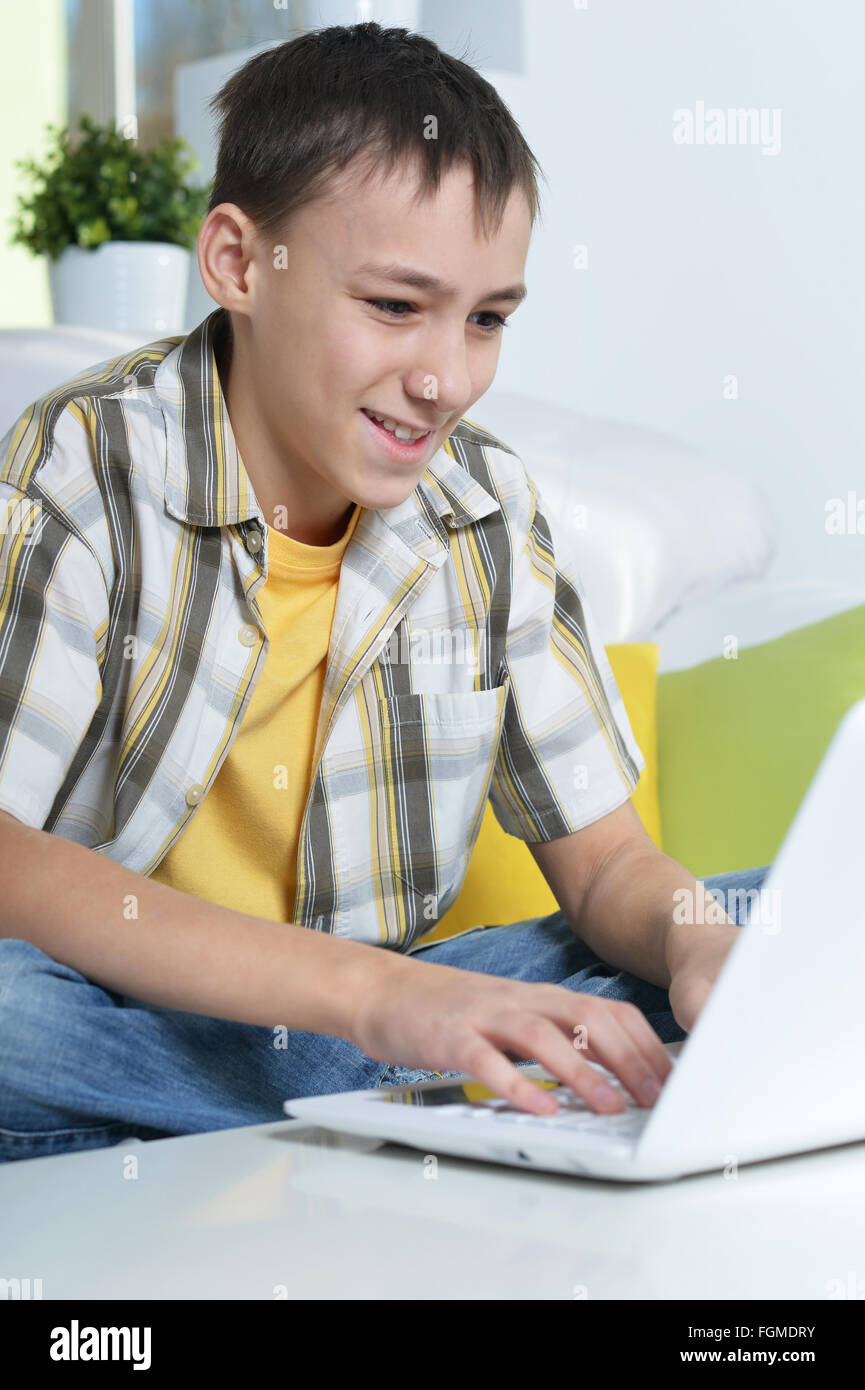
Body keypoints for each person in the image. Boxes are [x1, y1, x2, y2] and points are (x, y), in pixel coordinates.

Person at [0, 22, 769, 1162]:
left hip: (405, 1011)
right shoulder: (88, 462)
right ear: (237, 263)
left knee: (761, 916)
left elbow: (609, 865)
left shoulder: (486, 510)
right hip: (123, 1013)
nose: (445, 377)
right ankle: (374, 1092)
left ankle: (304, 1108)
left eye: (487, 319)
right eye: (396, 307)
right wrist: (376, 1005)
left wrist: (701, 941)